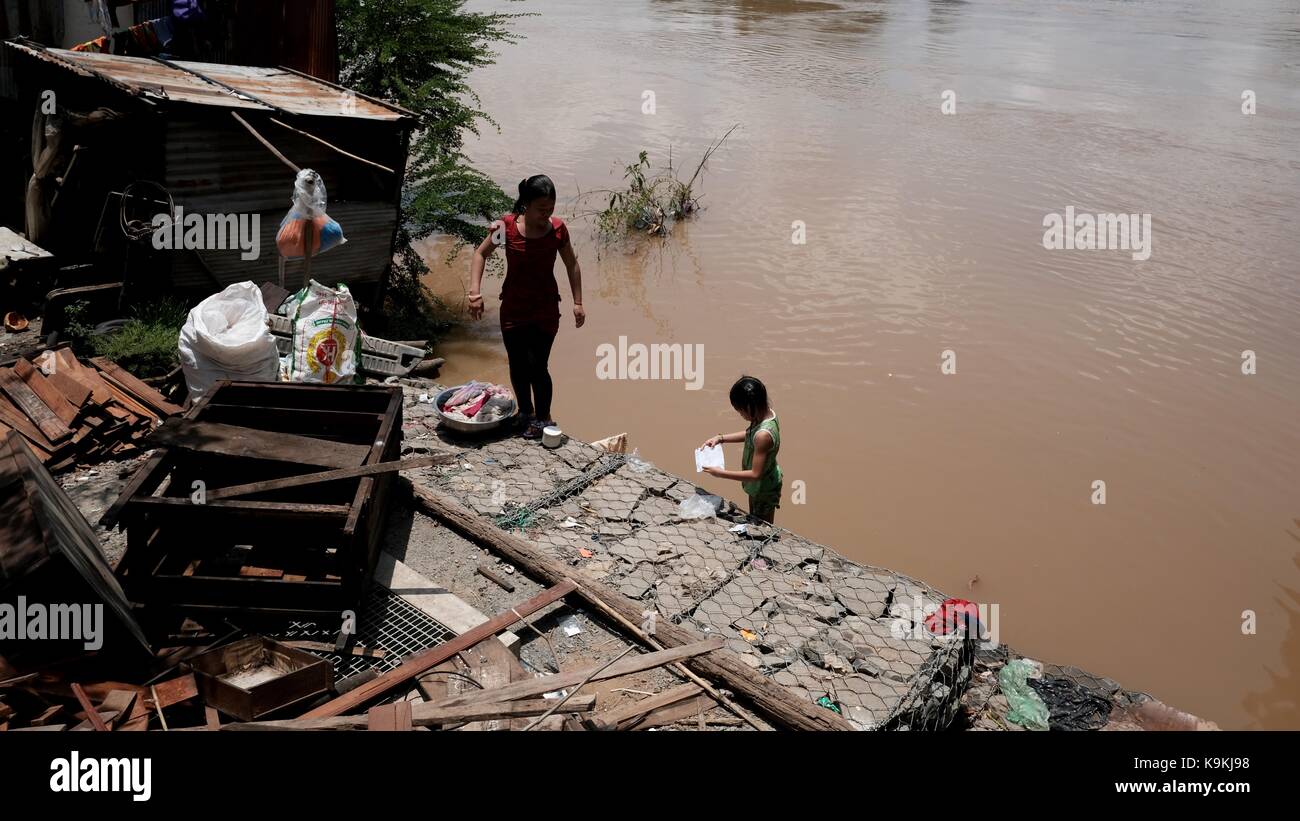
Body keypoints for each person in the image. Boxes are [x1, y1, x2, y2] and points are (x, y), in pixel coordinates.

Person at [468, 175, 585, 439]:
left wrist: (578, 302)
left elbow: (572, 263)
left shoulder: (557, 229)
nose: (547, 214)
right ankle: (525, 413)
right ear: (526, 205)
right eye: (541, 209)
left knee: (537, 365)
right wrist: (474, 293)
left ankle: (544, 418)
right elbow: (480, 254)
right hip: (513, 307)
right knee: (517, 363)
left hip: (545, 310)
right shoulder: (505, 226)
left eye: (550, 208)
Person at [700, 375, 783, 523]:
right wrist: (721, 438)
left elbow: (755, 474)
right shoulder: (766, 414)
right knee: (756, 516)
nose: (741, 415)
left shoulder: (763, 435)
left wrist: (721, 473)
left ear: (750, 407)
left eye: (740, 411)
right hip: (764, 480)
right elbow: (750, 434)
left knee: (763, 524)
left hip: (764, 488)